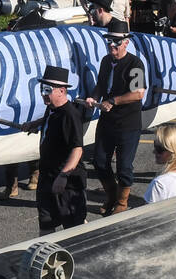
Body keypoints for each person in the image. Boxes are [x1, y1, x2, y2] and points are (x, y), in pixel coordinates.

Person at [82, 19, 146, 216]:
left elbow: (138, 93)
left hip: (128, 122)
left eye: (116, 42)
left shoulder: (135, 63)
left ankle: (122, 200)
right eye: (109, 41)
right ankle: (111, 194)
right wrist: (93, 96)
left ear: (126, 42)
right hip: (107, 120)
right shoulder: (105, 61)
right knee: (100, 161)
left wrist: (114, 101)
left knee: (124, 166)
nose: (112, 45)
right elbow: (101, 85)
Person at [21, 66, 87, 233]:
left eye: (47, 90)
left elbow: (77, 149)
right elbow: (49, 118)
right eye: (42, 89)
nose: (43, 93)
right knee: (46, 224)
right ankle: (48, 257)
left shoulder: (70, 115)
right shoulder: (51, 107)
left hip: (67, 182)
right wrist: (34, 124)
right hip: (46, 177)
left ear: (62, 91)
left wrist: (63, 176)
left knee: (72, 229)